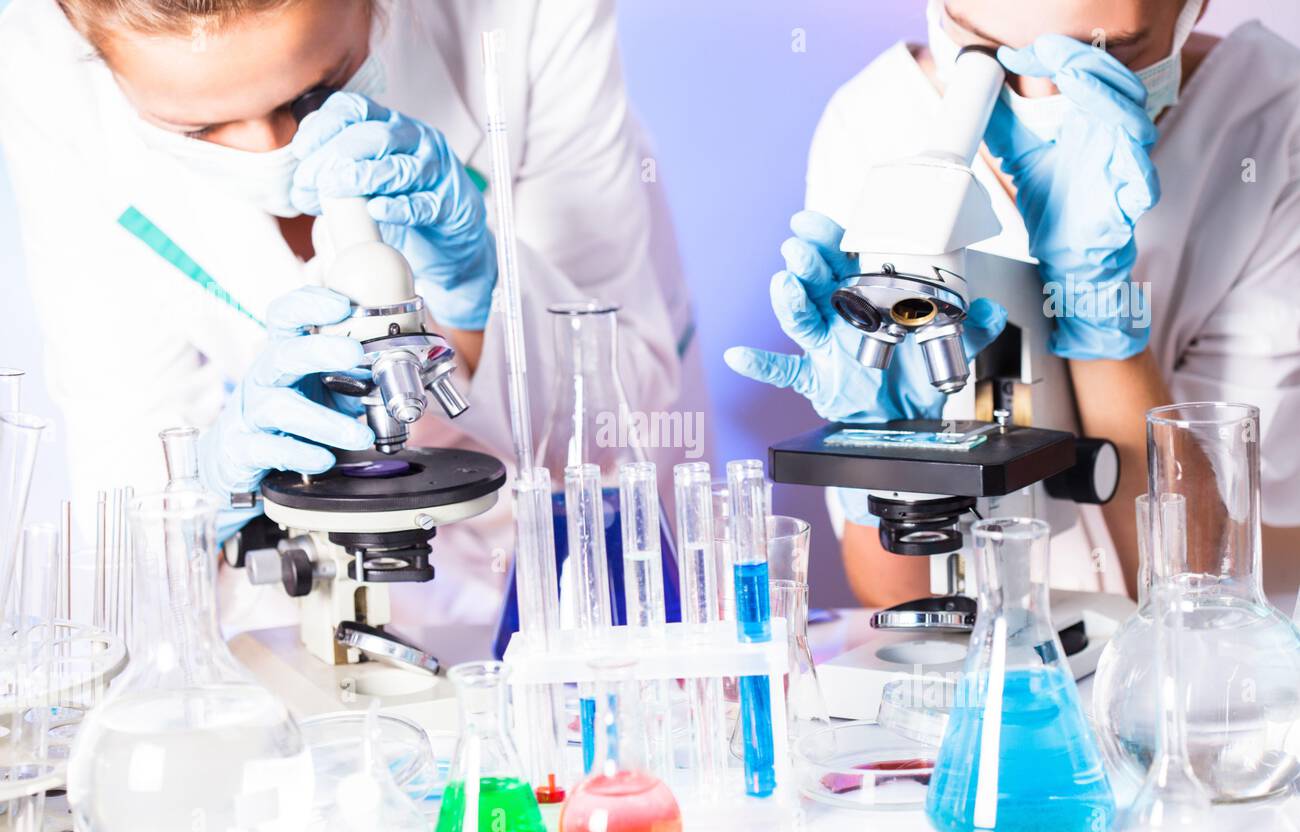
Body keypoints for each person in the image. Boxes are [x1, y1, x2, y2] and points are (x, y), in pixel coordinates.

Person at [0, 0, 701, 629]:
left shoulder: (528, 16)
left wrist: (478, 306)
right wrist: (205, 497)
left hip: (589, 587)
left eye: (316, 92)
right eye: (200, 125)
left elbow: (622, 418)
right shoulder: (46, 78)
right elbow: (124, 512)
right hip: (319, 603)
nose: (270, 157)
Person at [727, 0, 1300, 609]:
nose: (1040, 92)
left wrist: (1095, 305)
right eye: (985, 50)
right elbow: (894, 602)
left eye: (1107, 52)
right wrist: (883, 456)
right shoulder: (871, 122)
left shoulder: (1270, 118)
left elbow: (1212, 587)